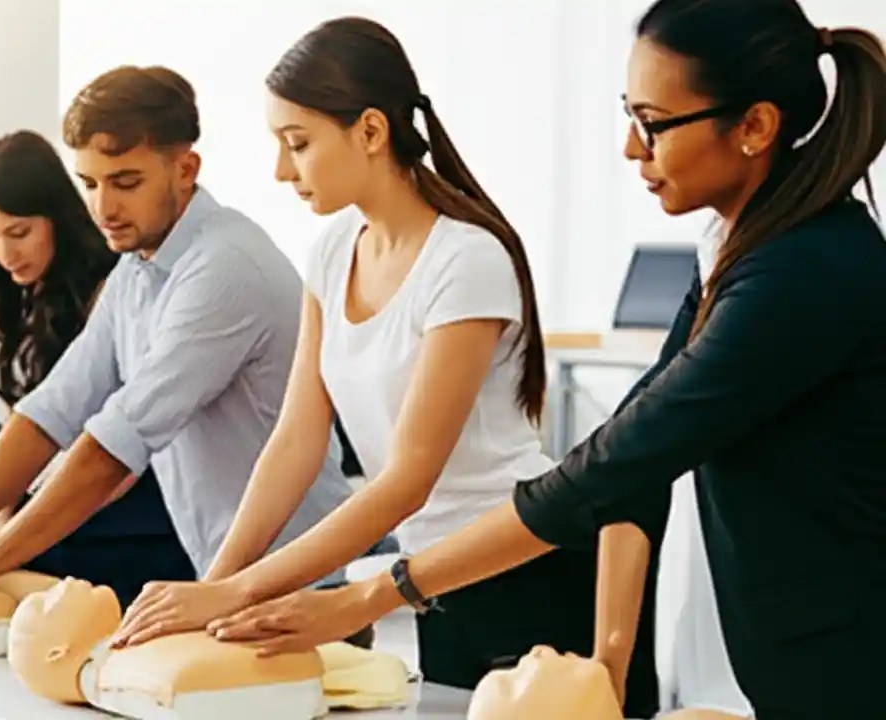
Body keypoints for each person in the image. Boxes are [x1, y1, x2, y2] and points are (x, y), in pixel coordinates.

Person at [203, 2, 886, 718]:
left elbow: (615, 464)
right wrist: (610, 667)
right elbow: (634, 457)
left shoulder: (804, 272)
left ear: (753, 127)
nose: (630, 146)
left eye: (652, 122)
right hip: (790, 656)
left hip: (846, 663)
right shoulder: (738, 250)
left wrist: (375, 591)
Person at [109, 17, 662, 717]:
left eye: (298, 144)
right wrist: (216, 583)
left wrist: (240, 592)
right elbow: (296, 440)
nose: (283, 171)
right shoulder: (332, 251)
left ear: (370, 130)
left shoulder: (466, 260)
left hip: (527, 566)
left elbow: (407, 479)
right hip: (436, 582)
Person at [0, 66, 354, 611]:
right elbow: (50, 412)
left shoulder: (224, 266)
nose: (103, 208)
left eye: (126, 182)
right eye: (89, 183)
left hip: (300, 588)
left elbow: (114, 445)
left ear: (186, 169)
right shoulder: (136, 270)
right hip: (226, 580)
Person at [0, 129, 196, 605]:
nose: (5, 253)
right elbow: (32, 432)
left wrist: (9, 533)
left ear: (57, 217)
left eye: (19, 233)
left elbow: (114, 453)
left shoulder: (113, 287)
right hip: (54, 520)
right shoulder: (19, 296)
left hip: (126, 527)